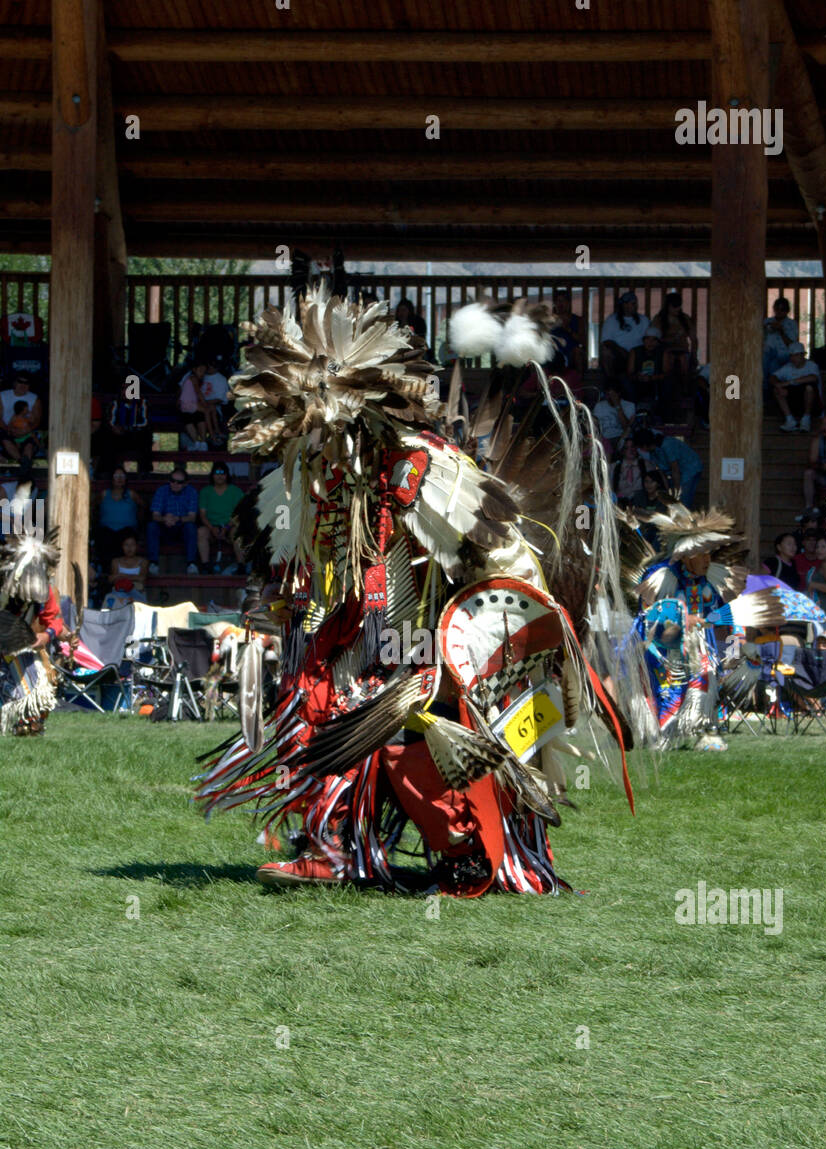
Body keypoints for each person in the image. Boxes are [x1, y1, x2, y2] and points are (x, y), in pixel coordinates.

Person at [195, 286, 635, 894]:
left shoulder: (422, 470)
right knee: (313, 704)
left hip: (432, 636)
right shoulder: (305, 477)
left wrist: (474, 650)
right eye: (308, 436)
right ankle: (331, 846)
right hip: (357, 628)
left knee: (405, 740)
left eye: (330, 434)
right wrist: (285, 613)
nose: (321, 451)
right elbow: (295, 558)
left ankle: (471, 850)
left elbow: (503, 563)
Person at [629, 505, 781, 749]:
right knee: (669, 688)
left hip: (699, 643)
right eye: (703, 554)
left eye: (710, 553)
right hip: (661, 646)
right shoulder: (661, 574)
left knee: (705, 678)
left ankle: (703, 730)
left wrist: (735, 646)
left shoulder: (711, 579)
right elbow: (647, 613)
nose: (708, 559)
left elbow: (724, 618)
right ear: (687, 555)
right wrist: (681, 619)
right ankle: (661, 734)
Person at [0, 531, 73, 735]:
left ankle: (27, 723)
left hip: (24, 650)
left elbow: (56, 621)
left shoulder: (48, 592)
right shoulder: (3, 584)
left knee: (40, 684)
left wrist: (48, 634)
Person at [634, 428, 703, 508]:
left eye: (640, 447)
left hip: (690, 468)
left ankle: (685, 518)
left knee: (683, 499)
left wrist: (677, 492)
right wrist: (668, 492)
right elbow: (662, 473)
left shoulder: (667, 445)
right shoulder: (653, 453)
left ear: (644, 446)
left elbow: (675, 470)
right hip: (677, 472)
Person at [147, 469, 199, 575]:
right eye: (172, 480)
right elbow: (155, 516)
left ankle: (191, 564)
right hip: (165, 528)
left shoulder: (191, 491)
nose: (175, 484)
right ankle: (153, 563)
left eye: (179, 482)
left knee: (191, 527)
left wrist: (177, 518)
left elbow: (192, 517)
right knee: (152, 526)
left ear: (185, 483)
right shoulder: (161, 490)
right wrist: (165, 518)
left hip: (182, 528)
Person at [93, 464, 143, 570]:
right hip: (106, 529)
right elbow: (92, 507)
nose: (119, 479)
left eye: (122, 476)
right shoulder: (104, 494)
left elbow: (143, 507)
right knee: (104, 537)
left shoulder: (132, 495)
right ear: (111, 479)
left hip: (127, 530)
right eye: (116, 476)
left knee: (126, 538)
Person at [197, 462, 244, 573]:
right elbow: (202, 515)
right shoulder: (205, 491)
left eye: (222, 473)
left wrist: (227, 527)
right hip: (211, 526)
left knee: (238, 533)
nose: (219, 476)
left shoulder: (236, 491)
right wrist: (212, 528)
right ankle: (205, 566)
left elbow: (239, 514)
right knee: (201, 532)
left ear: (227, 475)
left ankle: (241, 566)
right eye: (216, 473)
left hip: (230, 526)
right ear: (212, 475)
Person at [599, 291, 649, 389]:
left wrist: (633, 354)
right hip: (618, 356)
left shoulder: (644, 320)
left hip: (639, 356)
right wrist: (621, 351)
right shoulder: (612, 319)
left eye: (635, 303)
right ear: (624, 305)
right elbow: (607, 341)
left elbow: (649, 339)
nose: (635, 306)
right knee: (606, 352)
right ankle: (611, 385)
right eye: (632, 303)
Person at [771, 342, 822, 433]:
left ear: (803, 355)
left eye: (796, 355)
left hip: (813, 406)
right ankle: (790, 420)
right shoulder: (788, 367)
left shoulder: (811, 365)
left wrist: (788, 382)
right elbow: (773, 377)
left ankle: (806, 419)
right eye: (792, 356)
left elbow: (813, 377)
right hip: (795, 405)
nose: (794, 358)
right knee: (777, 391)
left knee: (809, 388)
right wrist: (778, 385)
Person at [625, 324, 674, 417]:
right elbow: (630, 372)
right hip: (638, 381)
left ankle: (663, 416)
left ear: (658, 342)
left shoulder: (663, 352)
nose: (650, 342)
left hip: (656, 381)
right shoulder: (635, 351)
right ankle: (632, 414)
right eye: (647, 339)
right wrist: (638, 377)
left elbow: (666, 373)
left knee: (668, 383)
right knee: (625, 381)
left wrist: (651, 378)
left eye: (654, 340)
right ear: (643, 340)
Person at [649, 291, 696, 385]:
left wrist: (693, 355)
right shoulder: (658, 319)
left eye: (679, 306)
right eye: (674, 306)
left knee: (683, 360)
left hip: (682, 350)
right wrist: (670, 340)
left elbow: (694, 339)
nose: (677, 309)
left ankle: (684, 388)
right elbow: (654, 339)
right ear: (668, 306)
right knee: (669, 360)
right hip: (665, 351)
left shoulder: (685, 319)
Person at [0, 374, 42, 465]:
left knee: (30, 443)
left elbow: (37, 420)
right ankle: (21, 462)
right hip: (7, 430)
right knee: (5, 439)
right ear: (15, 383)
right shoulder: (2, 395)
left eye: (26, 383)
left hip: (26, 430)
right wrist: (9, 429)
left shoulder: (34, 398)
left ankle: (26, 463)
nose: (23, 385)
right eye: (20, 382)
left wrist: (25, 431)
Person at [178, 362, 220, 449]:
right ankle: (213, 435)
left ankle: (203, 441)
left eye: (204, 371)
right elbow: (198, 392)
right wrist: (204, 403)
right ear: (194, 370)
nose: (202, 373)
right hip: (188, 403)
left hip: (189, 403)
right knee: (207, 411)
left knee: (210, 410)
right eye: (200, 371)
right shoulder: (193, 378)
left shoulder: (193, 379)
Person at [762, 296, 798, 388]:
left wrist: (781, 331)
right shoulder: (767, 322)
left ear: (787, 311)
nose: (779, 312)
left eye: (782, 309)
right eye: (777, 309)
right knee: (768, 364)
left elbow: (792, 344)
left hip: (784, 355)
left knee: (774, 367)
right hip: (767, 354)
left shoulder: (792, 324)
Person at [105, 531, 149, 606]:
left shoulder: (143, 562)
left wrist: (121, 576)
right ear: (122, 546)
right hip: (120, 593)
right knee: (113, 597)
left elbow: (142, 579)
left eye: (132, 545)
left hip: (137, 592)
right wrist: (133, 578)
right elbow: (113, 580)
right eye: (126, 545)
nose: (129, 548)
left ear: (137, 546)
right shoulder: (116, 561)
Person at [593, 387, 635, 461]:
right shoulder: (599, 406)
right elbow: (595, 426)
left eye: (612, 394)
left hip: (621, 437)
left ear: (618, 393)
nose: (610, 397)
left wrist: (618, 406)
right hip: (604, 438)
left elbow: (626, 427)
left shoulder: (629, 405)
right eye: (607, 395)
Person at [610, 438, 647, 505]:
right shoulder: (613, 467)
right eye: (626, 448)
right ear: (622, 451)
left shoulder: (647, 465)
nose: (631, 450)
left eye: (633, 446)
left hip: (641, 503)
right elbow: (609, 489)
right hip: (619, 504)